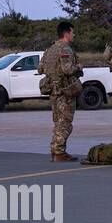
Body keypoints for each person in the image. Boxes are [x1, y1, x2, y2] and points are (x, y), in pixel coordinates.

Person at [42, 21, 81, 161]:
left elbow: (40, 68)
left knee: (58, 121)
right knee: (65, 122)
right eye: (72, 32)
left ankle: (55, 150)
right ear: (66, 34)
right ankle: (59, 152)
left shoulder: (50, 50)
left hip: (53, 90)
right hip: (65, 90)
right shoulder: (65, 49)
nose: (74, 35)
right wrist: (78, 67)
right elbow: (67, 69)